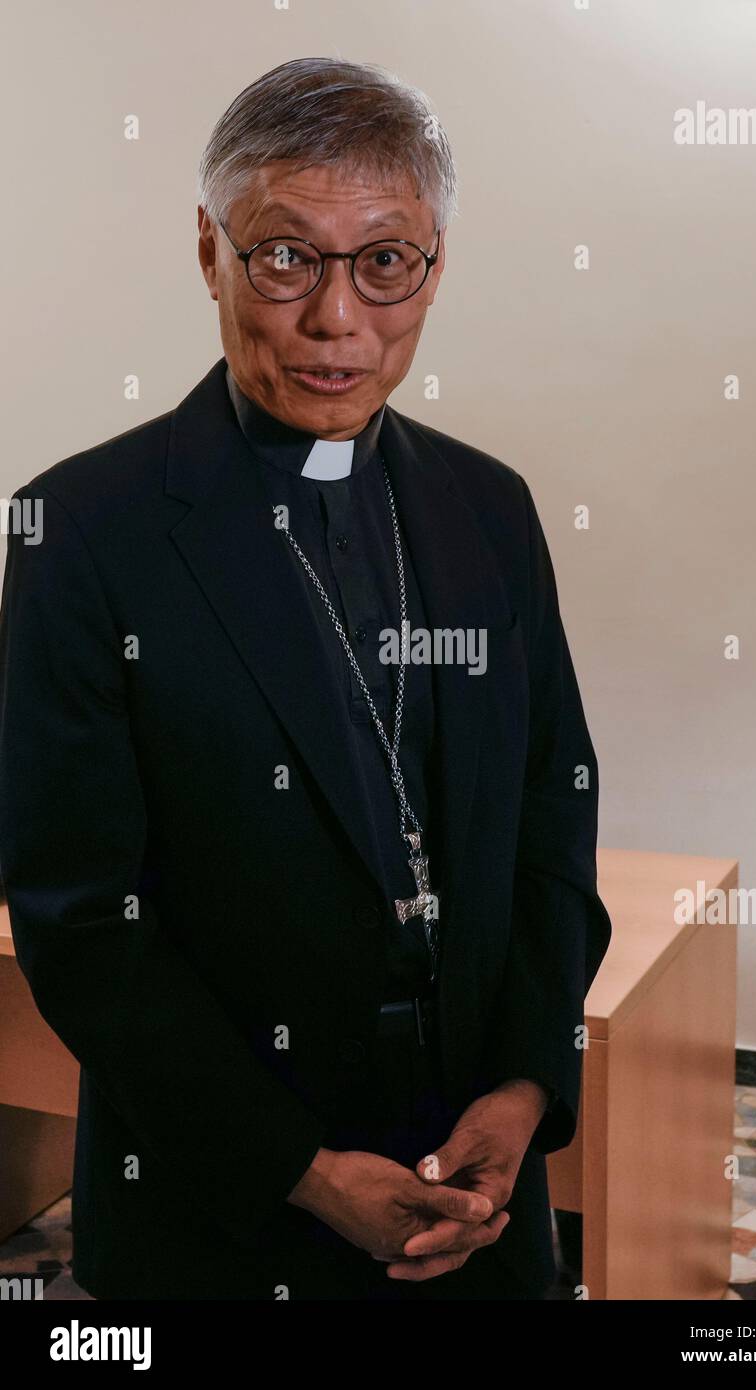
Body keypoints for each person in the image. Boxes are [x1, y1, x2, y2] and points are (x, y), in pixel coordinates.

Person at [0, 56, 612, 1300]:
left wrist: (525, 1084)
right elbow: (77, 915)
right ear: (211, 250)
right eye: (285, 257)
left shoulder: (488, 509)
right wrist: (301, 1167)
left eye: (386, 262)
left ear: (432, 262)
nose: (338, 320)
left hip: (476, 1184)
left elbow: (555, 811)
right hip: (216, 1200)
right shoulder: (79, 530)